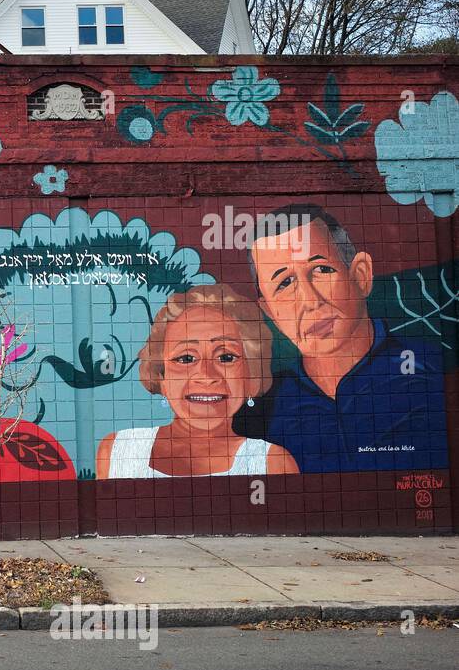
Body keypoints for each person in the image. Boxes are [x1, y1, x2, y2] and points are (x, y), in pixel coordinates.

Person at [239, 205, 447, 472]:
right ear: (269, 311)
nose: (311, 301)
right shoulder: (262, 409)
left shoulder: (435, 372)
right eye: (284, 283)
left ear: (360, 275)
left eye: (321, 270)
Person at [98, 284, 298, 478]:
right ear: (162, 377)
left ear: (251, 376)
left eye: (226, 357)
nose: (206, 376)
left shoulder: (272, 462)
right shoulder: (118, 450)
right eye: (185, 359)